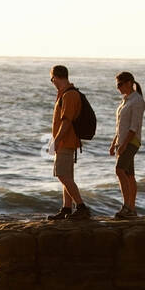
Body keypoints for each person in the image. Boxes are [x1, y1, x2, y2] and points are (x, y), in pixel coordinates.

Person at [47, 65, 90, 220]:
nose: (52, 82)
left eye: (52, 79)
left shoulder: (69, 95)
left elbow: (66, 121)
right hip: (67, 141)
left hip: (66, 141)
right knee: (67, 176)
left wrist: (56, 140)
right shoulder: (65, 94)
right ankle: (66, 208)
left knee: (62, 175)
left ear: (56, 77)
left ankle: (81, 207)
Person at [109, 71, 145, 218]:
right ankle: (131, 208)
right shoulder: (126, 100)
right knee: (129, 175)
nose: (118, 88)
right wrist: (114, 143)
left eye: (120, 84)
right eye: (117, 85)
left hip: (131, 141)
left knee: (119, 170)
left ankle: (127, 206)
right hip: (123, 141)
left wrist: (124, 144)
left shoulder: (137, 101)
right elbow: (120, 126)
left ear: (129, 83)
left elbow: (133, 127)